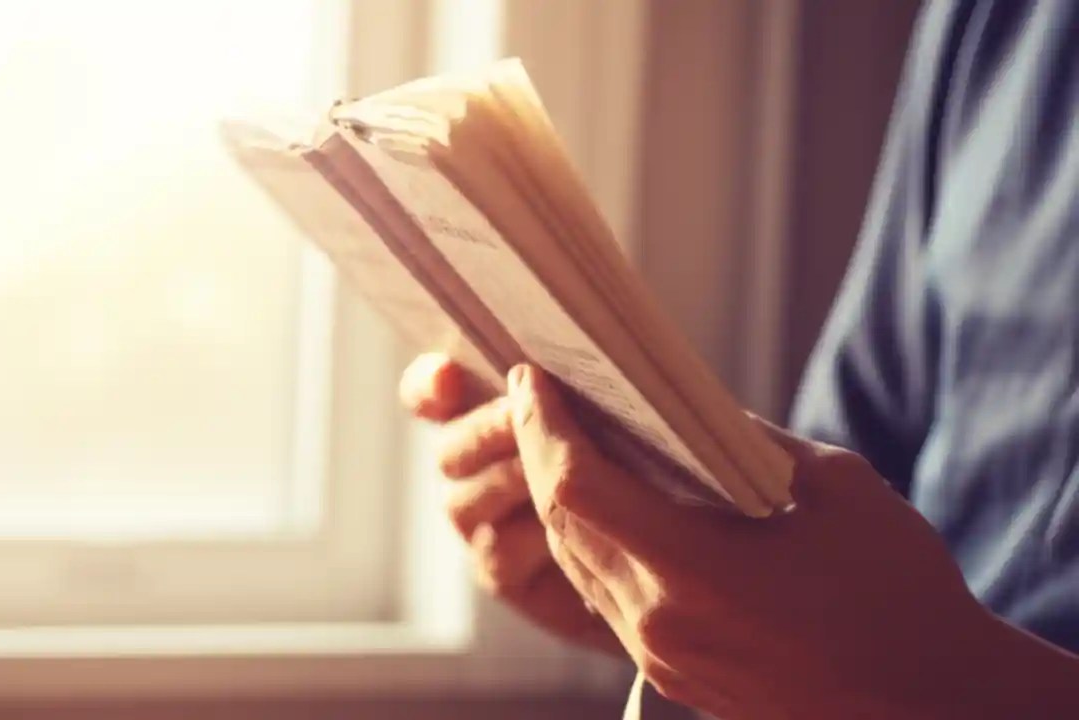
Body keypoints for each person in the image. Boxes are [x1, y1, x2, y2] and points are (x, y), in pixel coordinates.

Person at [399, 1, 1079, 717]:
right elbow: (836, 492)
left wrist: (939, 688)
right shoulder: (995, 20)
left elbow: (885, 659)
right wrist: (668, 583)